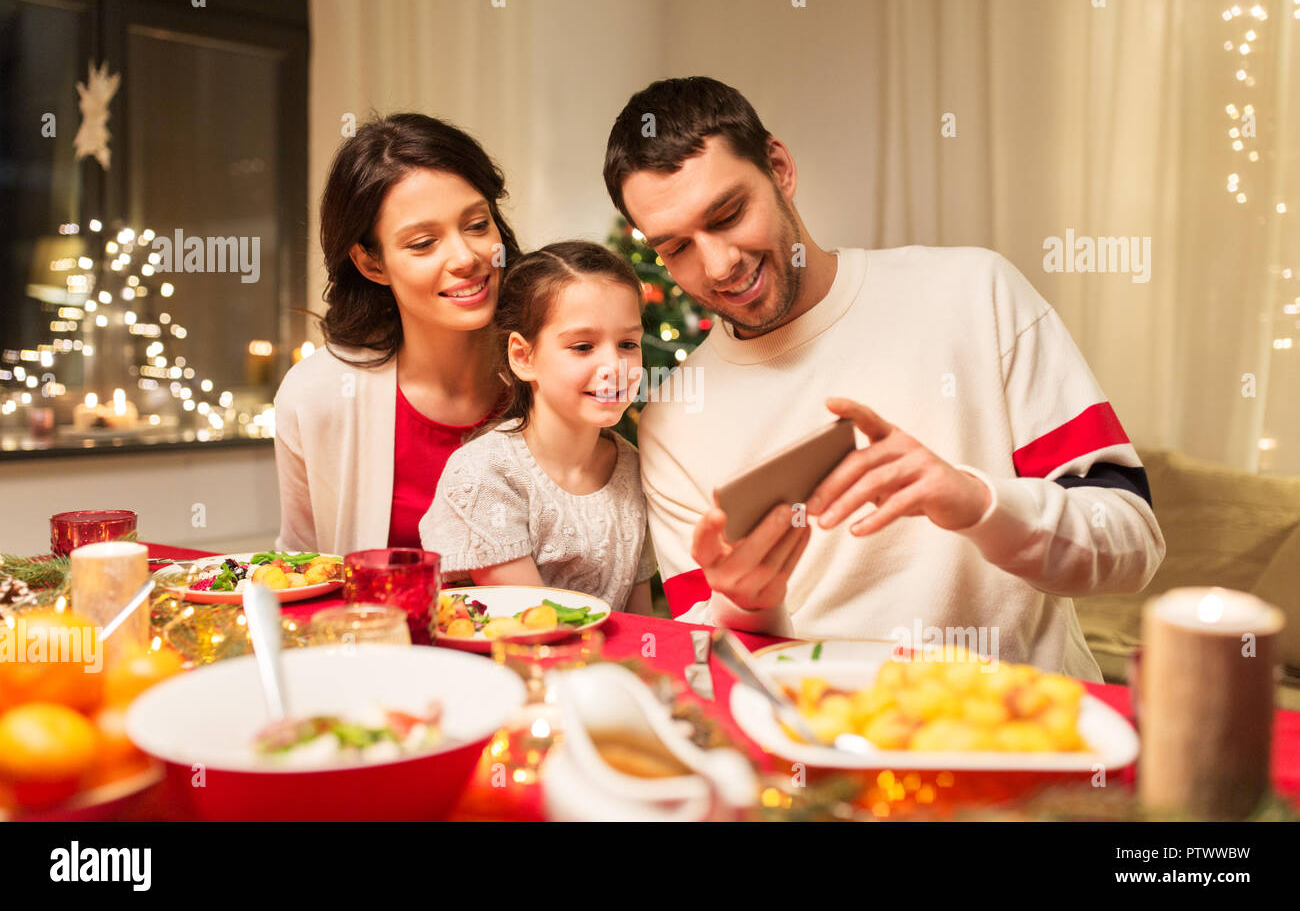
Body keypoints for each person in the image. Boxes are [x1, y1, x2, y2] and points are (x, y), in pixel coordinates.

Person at [602, 76, 1166, 680]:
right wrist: (747, 603)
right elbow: (705, 658)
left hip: (1021, 732)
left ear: (779, 166)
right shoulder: (670, 420)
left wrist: (977, 503)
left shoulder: (975, 293)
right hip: (826, 745)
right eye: (676, 247)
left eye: (729, 213)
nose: (718, 265)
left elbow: (1133, 545)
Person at [273, 113, 522, 554]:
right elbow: (301, 569)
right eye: (423, 243)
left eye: (478, 225)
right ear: (372, 264)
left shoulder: (557, 367)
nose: (465, 257)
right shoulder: (316, 396)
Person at [419, 241, 657, 613]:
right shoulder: (486, 474)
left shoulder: (634, 467)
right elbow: (533, 624)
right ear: (523, 357)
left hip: (608, 667)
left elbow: (643, 623)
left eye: (627, 343)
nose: (615, 365)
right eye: (582, 346)